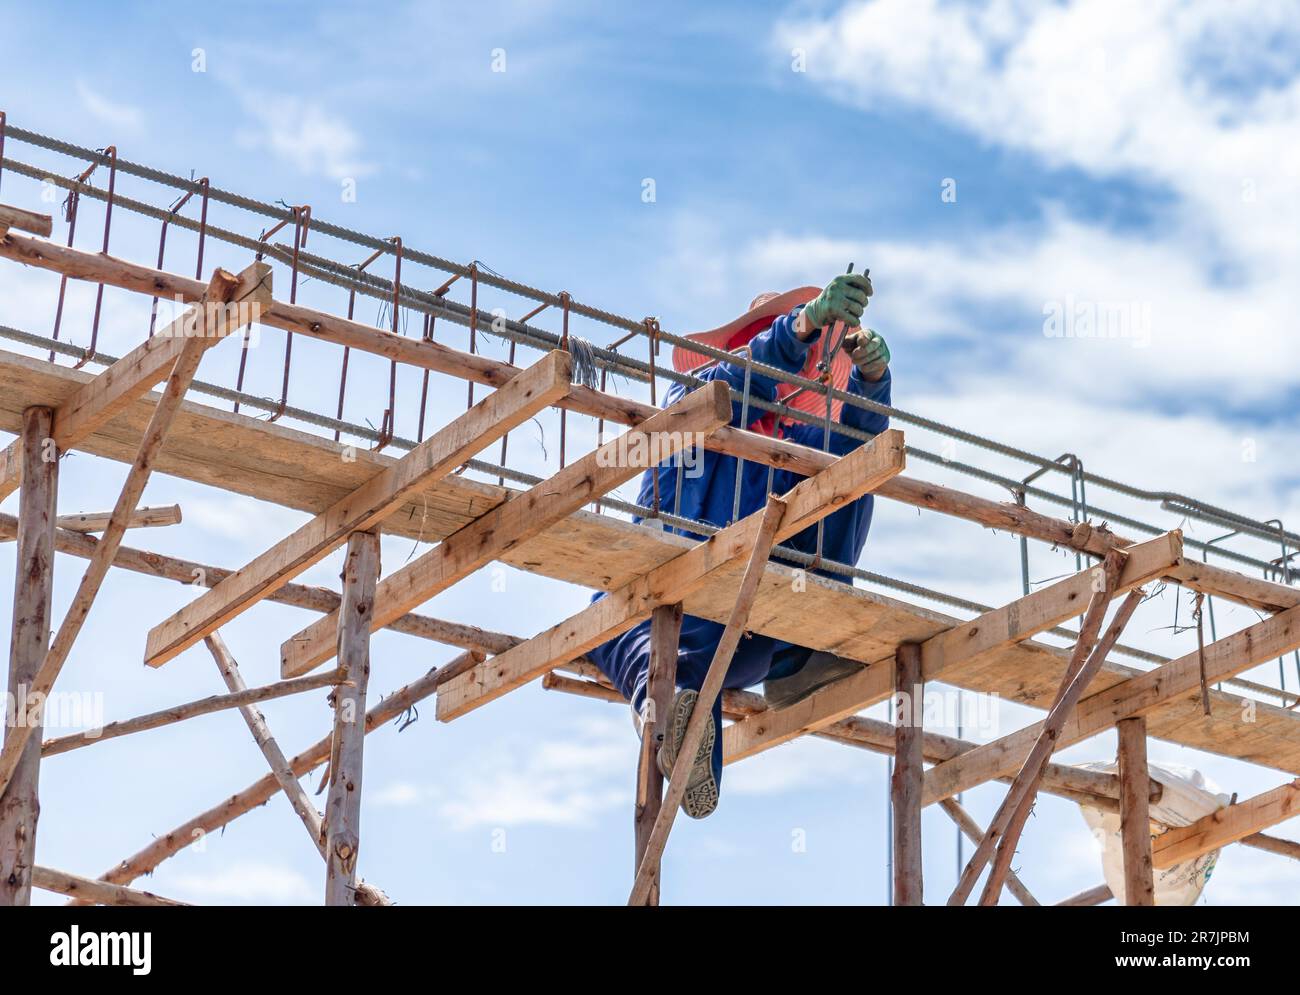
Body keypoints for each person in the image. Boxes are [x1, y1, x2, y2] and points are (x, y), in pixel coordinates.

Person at [588, 273, 892, 818]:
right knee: (619, 630)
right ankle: (676, 709)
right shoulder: (696, 397)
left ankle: (699, 701)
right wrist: (798, 329)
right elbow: (730, 388)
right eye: (790, 346)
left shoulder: (792, 445)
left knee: (847, 469)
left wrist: (873, 382)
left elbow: (853, 444)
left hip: (752, 611)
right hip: (672, 576)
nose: (801, 363)